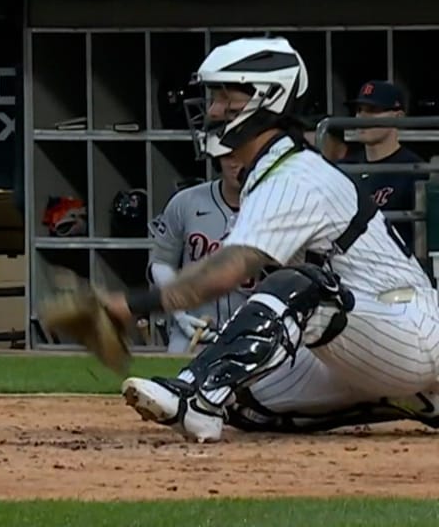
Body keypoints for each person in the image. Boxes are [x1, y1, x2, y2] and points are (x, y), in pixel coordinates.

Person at [111, 37, 439, 442]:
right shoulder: (269, 171)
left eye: (225, 97)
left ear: (266, 99)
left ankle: (196, 395)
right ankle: (408, 399)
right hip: (353, 339)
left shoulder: (295, 176)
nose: (212, 110)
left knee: (300, 286)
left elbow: (229, 269)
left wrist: (130, 306)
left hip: (404, 327)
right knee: (246, 401)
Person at [147, 153, 247, 353]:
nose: (236, 163)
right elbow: (160, 263)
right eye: (229, 155)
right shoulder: (186, 202)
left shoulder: (278, 207)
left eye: (243, 154)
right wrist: (180, 315)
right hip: (192, 330)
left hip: (253, 334)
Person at [342, 80, 426, 255]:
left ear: (398, 117)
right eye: (359, 110)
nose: (362, 117)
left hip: (398, 271)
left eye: (373, 110)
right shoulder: (344, 168)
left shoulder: (416, 170)